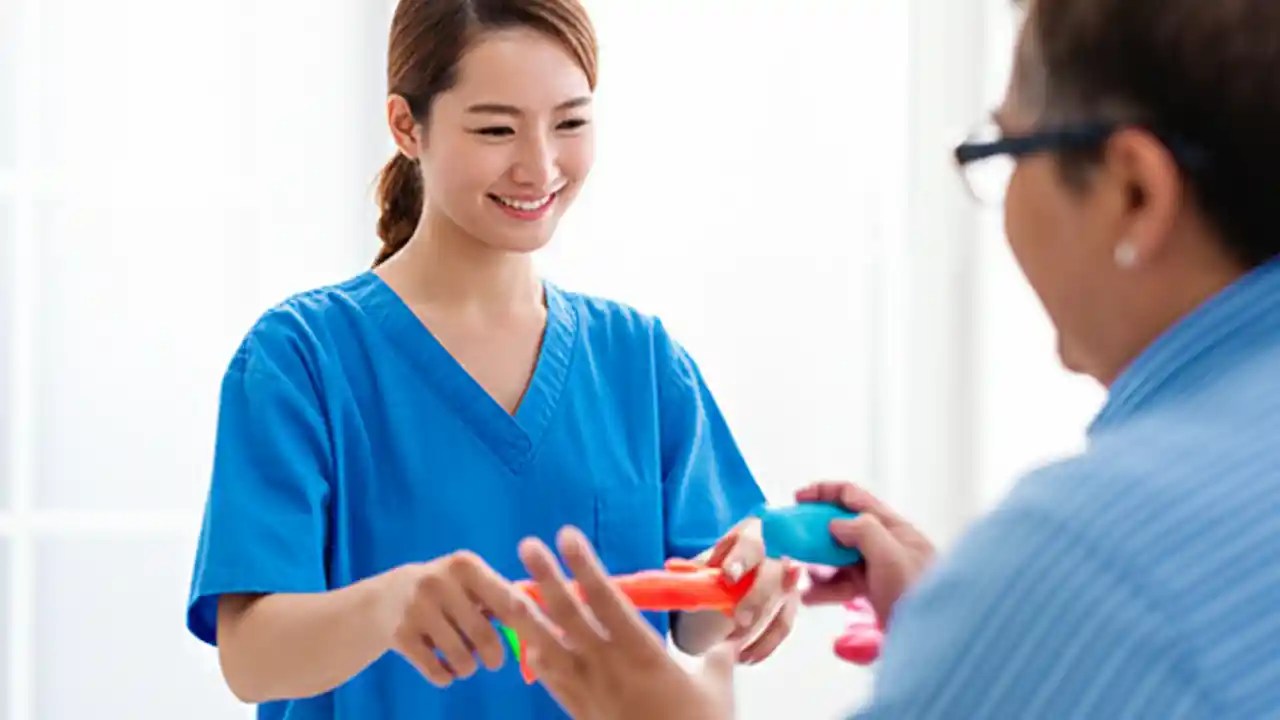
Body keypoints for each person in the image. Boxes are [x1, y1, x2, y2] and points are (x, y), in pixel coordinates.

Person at [481, 0, 1280, 716]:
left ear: (1134, 192)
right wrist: (982, 638)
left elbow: (711, 594)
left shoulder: (1092, 560)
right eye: (494, 125)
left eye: (1000, 150)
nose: (537, 164)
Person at [183, 1, 798, 718]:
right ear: (407, 126)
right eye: (496, 129)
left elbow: (698, 619)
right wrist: (391, 604)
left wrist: (747, 584)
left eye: (570, 122)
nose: (540, 165)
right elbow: (251, 658)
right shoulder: (302, 360)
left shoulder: (641, 362)